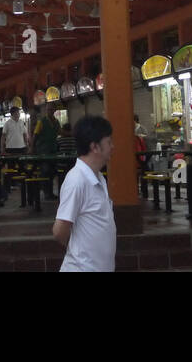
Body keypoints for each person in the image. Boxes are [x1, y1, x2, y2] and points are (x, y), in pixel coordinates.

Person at [52, 116, 117, 272]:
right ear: (94, 146)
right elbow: (59, 231)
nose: (113, 147)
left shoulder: (99, 177)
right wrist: (79, 252)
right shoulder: (76, 180)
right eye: (109, 142)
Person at [32, 107, 61, 197]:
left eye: (52, 110)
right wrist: (32, 148)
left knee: (52, 172)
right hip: (43, 150)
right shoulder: (42, 121)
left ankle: (50, 192)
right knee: (45, 171)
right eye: (49, 110)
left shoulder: (56, 122)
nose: (51, 111)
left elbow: (60, 132)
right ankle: (46, 193)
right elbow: (35, 135)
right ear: (47, 111)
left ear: (54, 111)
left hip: (53, 150)